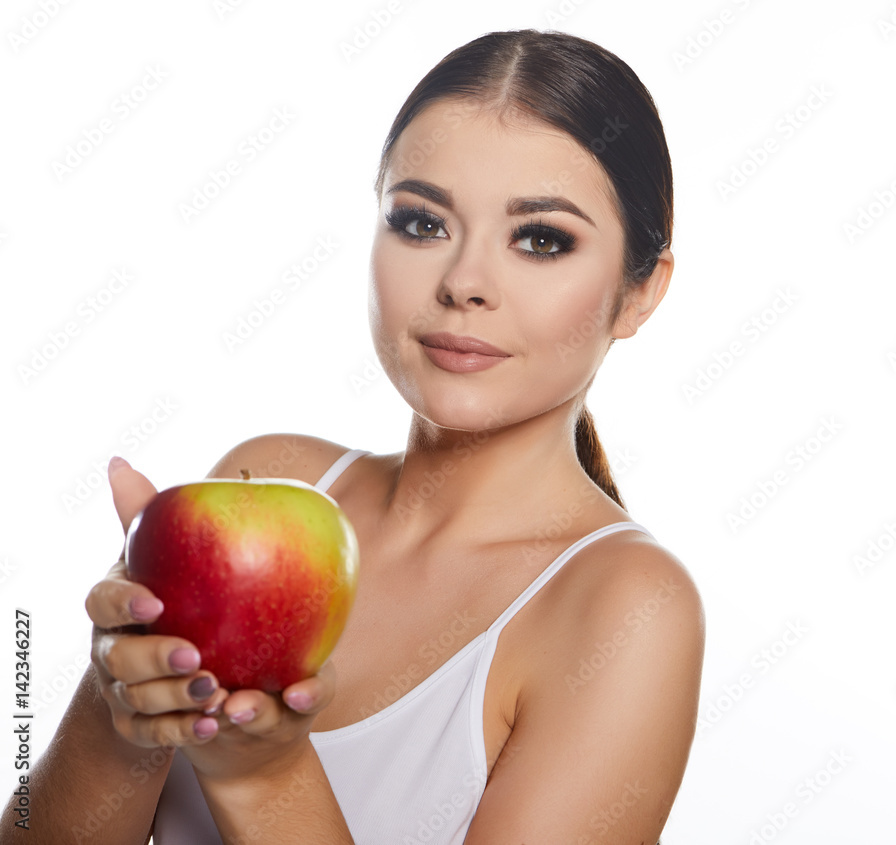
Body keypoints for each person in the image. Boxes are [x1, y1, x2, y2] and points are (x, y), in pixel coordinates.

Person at [3, 28, 704, 844]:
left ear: (640, 293)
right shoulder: (266, 480)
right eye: (421, 222)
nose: (464, 283)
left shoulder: (625, 607)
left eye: (540, 238)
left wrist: (263, 775)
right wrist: (117, 704)